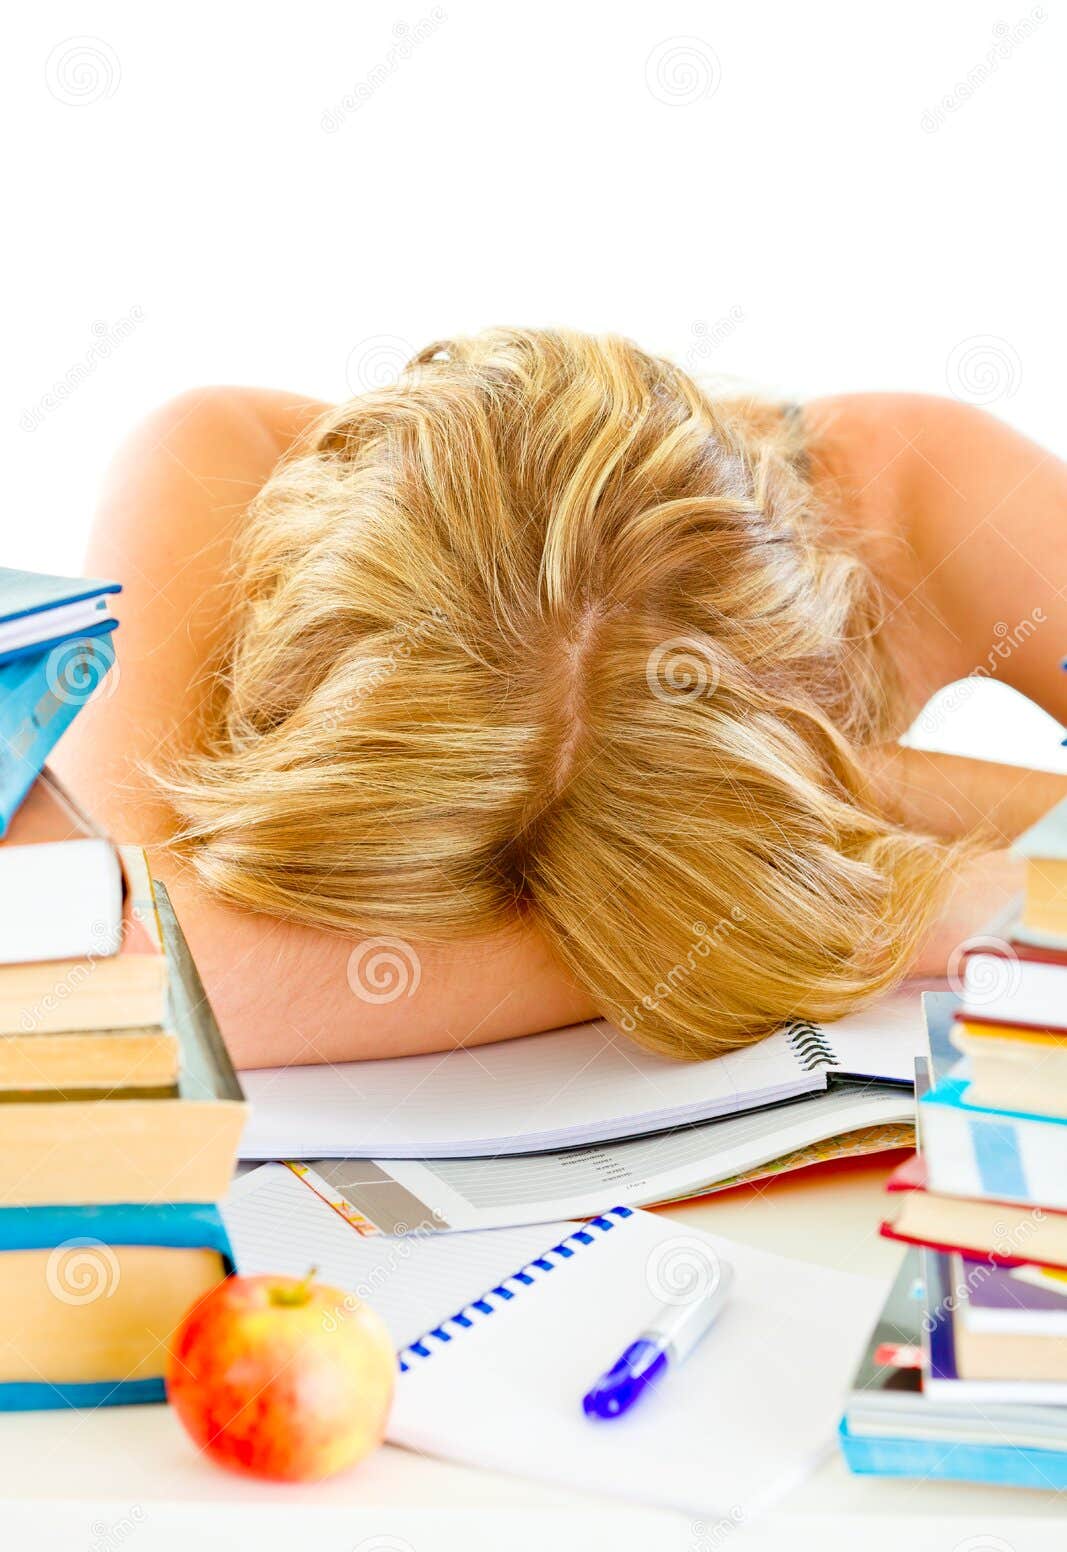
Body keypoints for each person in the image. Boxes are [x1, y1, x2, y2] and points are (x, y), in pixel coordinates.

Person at [52, 327, 1067, 1070]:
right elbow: (102, 961)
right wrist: (811, 904)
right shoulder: (213, 467)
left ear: (800, 676)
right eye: (518, 899)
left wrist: (858, 799)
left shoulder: (925, 493)